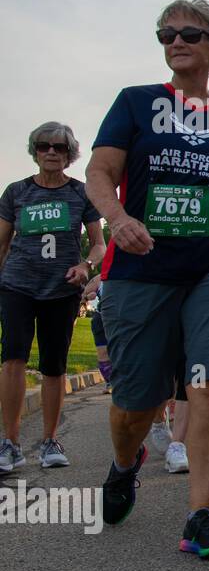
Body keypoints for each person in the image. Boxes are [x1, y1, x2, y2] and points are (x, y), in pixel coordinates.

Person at [85, 0, 209, 558]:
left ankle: (200, 516)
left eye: (190, 33)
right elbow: (100, 172)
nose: (176, 41)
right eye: (167, 34)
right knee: (136, 401)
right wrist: (118, 219)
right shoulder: (136, 103)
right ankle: (124, 463)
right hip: (141, 269)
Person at [0, 122, 106, 472]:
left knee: (53, 365)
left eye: (59, 147)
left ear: (69, 154)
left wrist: (85, 265)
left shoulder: (80, 193)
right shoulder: (16, 192)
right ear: (34, 151)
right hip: (17, 284)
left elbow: (100, 244)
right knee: (13, 358)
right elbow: (2, 243)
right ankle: (10, 442)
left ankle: (49, 440)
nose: (50, 152)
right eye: (44, 146)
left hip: (60, 288)